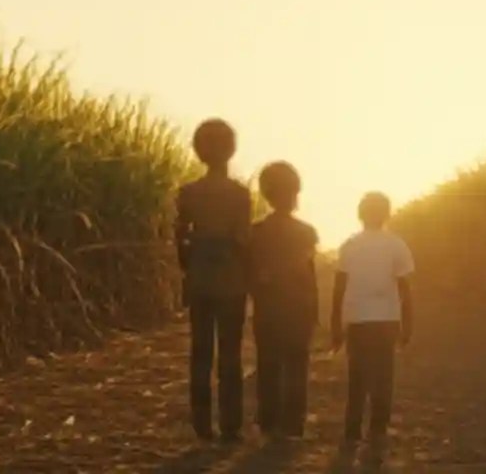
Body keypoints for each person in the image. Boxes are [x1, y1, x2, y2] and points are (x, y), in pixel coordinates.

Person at [174, 118, 252, 443]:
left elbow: (180, 237)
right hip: (231, 276)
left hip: (200, 275)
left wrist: (189, 268)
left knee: (201, 351)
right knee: (230, 353)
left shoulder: (189, 193)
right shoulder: (239, 194)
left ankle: (202, 423)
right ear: (231, 149)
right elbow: (244, 239)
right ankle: (231, 425)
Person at [330, 191, 414, 452]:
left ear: (360, 214)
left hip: (358, 320)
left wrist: (335, 323)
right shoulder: (397, 245)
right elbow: (404, 289)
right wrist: (408, 322)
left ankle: (352, 428)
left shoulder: (350, 245)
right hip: (387, 319)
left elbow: (338, 289)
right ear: (387, 214)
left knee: (357, 375)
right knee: (383, 376)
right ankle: (378, 428)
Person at [247, 161, 319, 440]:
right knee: (297, 364)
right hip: (298, 307)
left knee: (268, 363)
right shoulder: (306, 232)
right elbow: (309, 275)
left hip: (268, 308)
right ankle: (294, 422)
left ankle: (269, 419)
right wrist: (314, 309)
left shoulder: (256, 231)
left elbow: (251, 273)